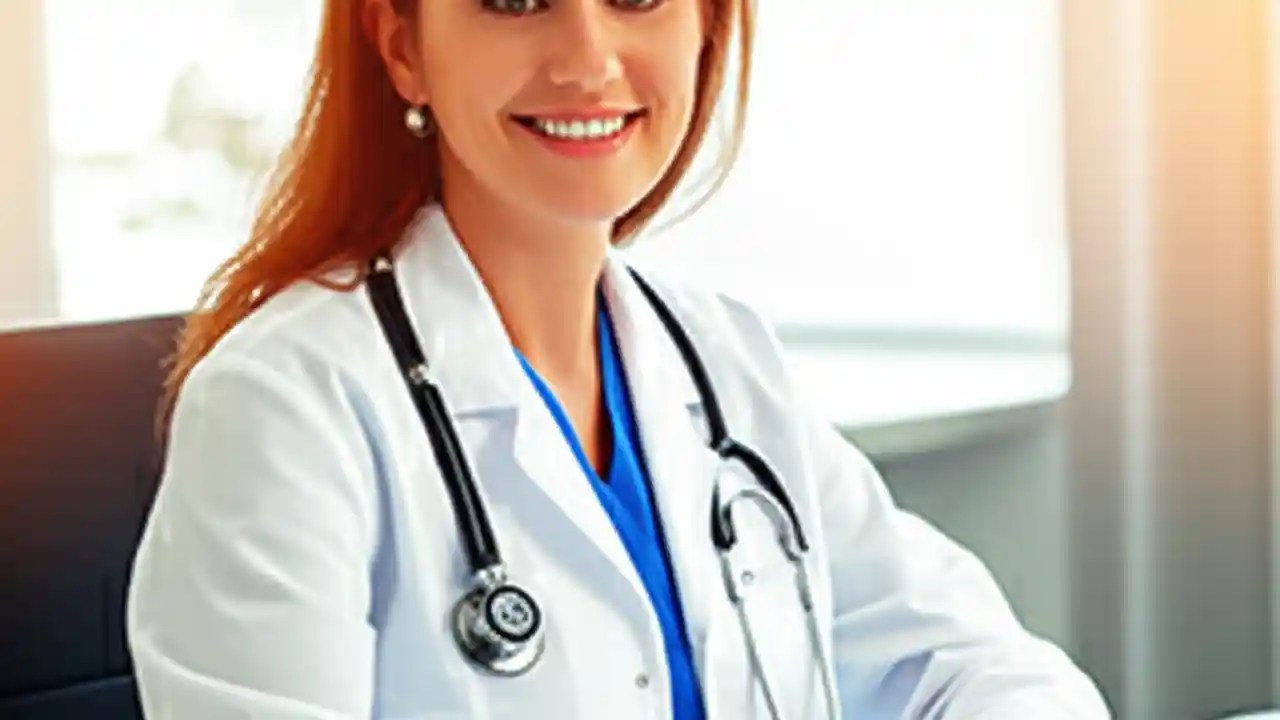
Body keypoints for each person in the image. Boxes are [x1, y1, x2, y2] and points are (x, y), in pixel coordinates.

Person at [125, 0, 1112, 717]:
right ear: (403, 47)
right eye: (515, 2)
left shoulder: (719, 362)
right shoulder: (284, 407)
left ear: (706, 25)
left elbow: (965, 664)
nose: (587, 57)